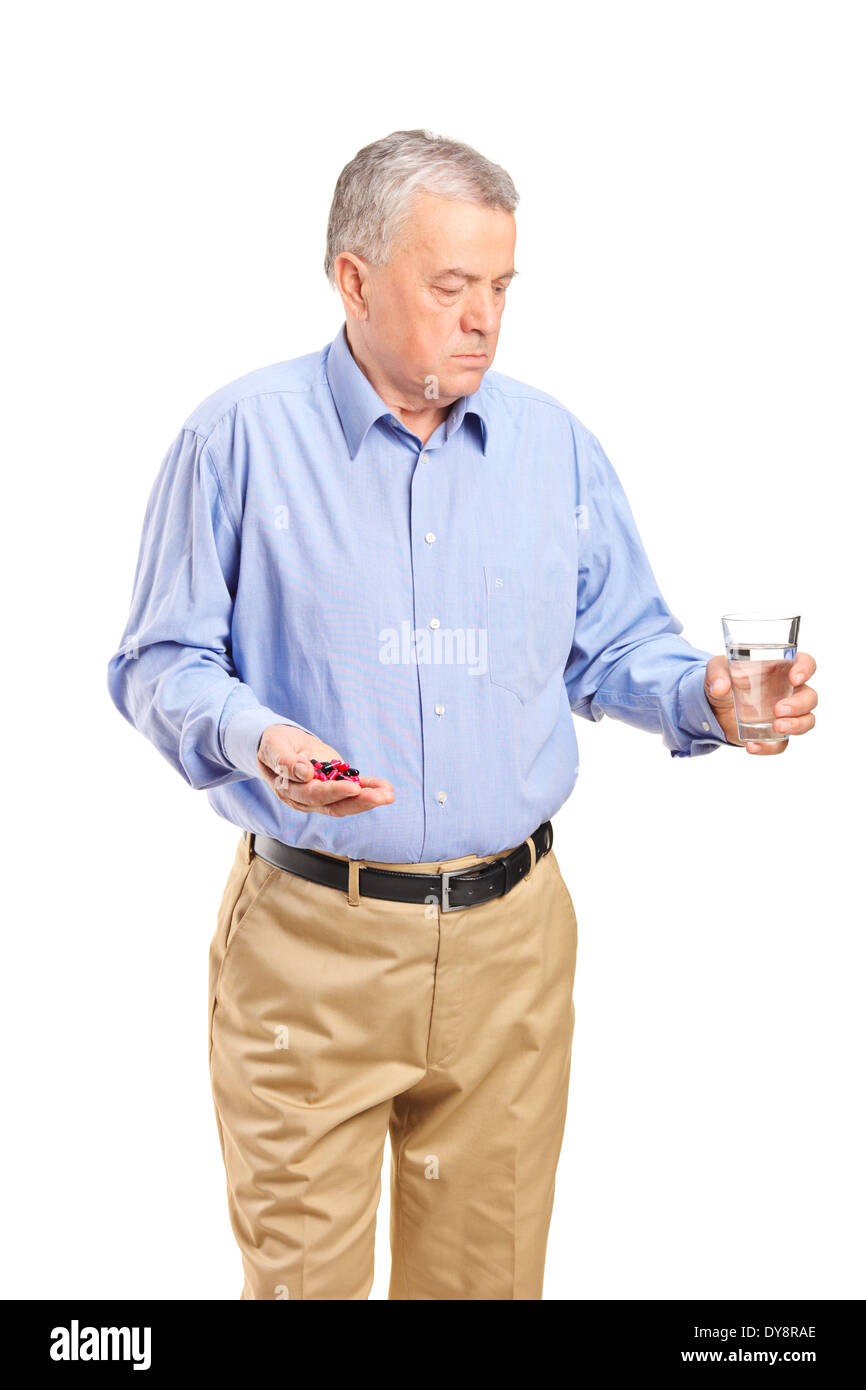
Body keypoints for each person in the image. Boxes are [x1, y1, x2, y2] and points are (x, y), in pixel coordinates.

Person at [107, 128, 819, 1301]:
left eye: (499, 286)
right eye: (450, 286)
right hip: (311, 948)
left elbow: (618, 646)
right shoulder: (234, 439)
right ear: (353, 279)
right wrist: (259, 736)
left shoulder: (555, 447)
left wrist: (706, 691)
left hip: (513, 948)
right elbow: (160, 661)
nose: (483, 317)